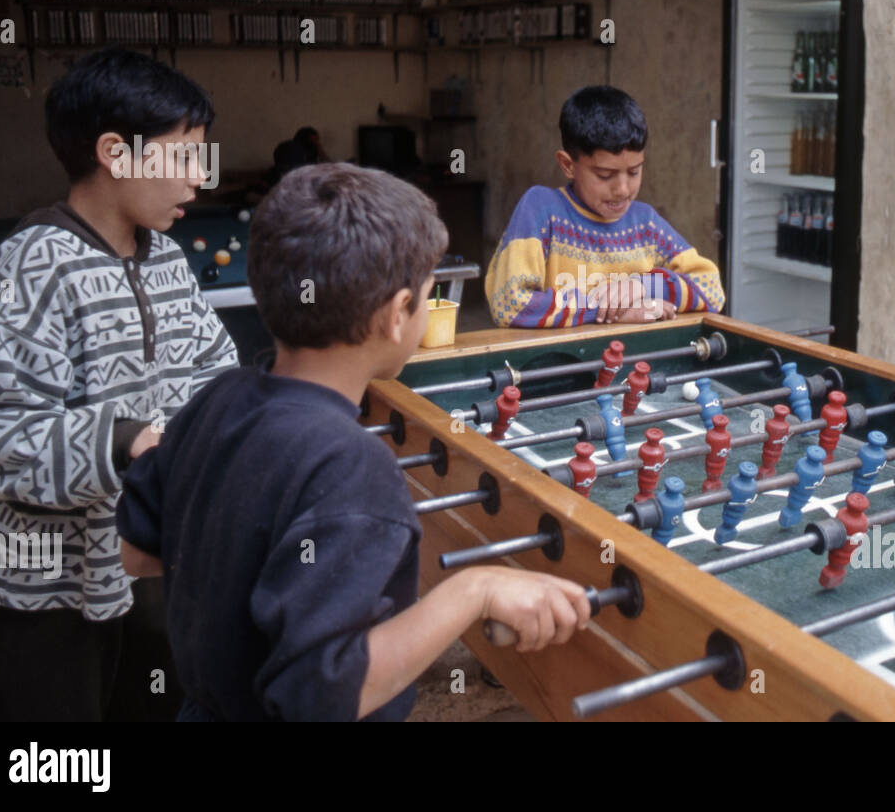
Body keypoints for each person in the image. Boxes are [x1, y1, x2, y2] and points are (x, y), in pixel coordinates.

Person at [117, 164, 591, 721]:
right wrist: (475, 590)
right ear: (396, 316)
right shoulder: (351, 468)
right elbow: (319, 696)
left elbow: (137, 551)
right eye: (427, 293)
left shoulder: (216, 399)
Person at [0, 46, 239, 721]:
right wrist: (129, 440)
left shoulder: (166, 258)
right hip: (33, 591)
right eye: (182, 158)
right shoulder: (35, 268)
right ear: (116, 152)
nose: (198, 181)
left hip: (131, 568)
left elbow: (214, 373)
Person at [485, 85, 725, 327]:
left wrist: (643, 286)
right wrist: (609, 310)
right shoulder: (541, 211)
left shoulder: (646, 225)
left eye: (634, 172)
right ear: (568, 165)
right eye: (604, 175)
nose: (622, 189)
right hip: (560, 363)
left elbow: (712, 290)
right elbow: (510, 303)